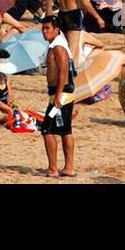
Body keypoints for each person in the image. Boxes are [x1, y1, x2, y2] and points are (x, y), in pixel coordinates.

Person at [40, 16, 78, 178]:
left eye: (47, 28)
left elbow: (64, 73)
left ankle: (53, 169)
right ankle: (69, 168)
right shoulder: (55, 45)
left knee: (47, 129)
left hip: (61, 94)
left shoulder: (58, 47)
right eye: (43, 29)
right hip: (61, 94)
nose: (44, 32)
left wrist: (58, 95)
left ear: (56, 30)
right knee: (65, 130)